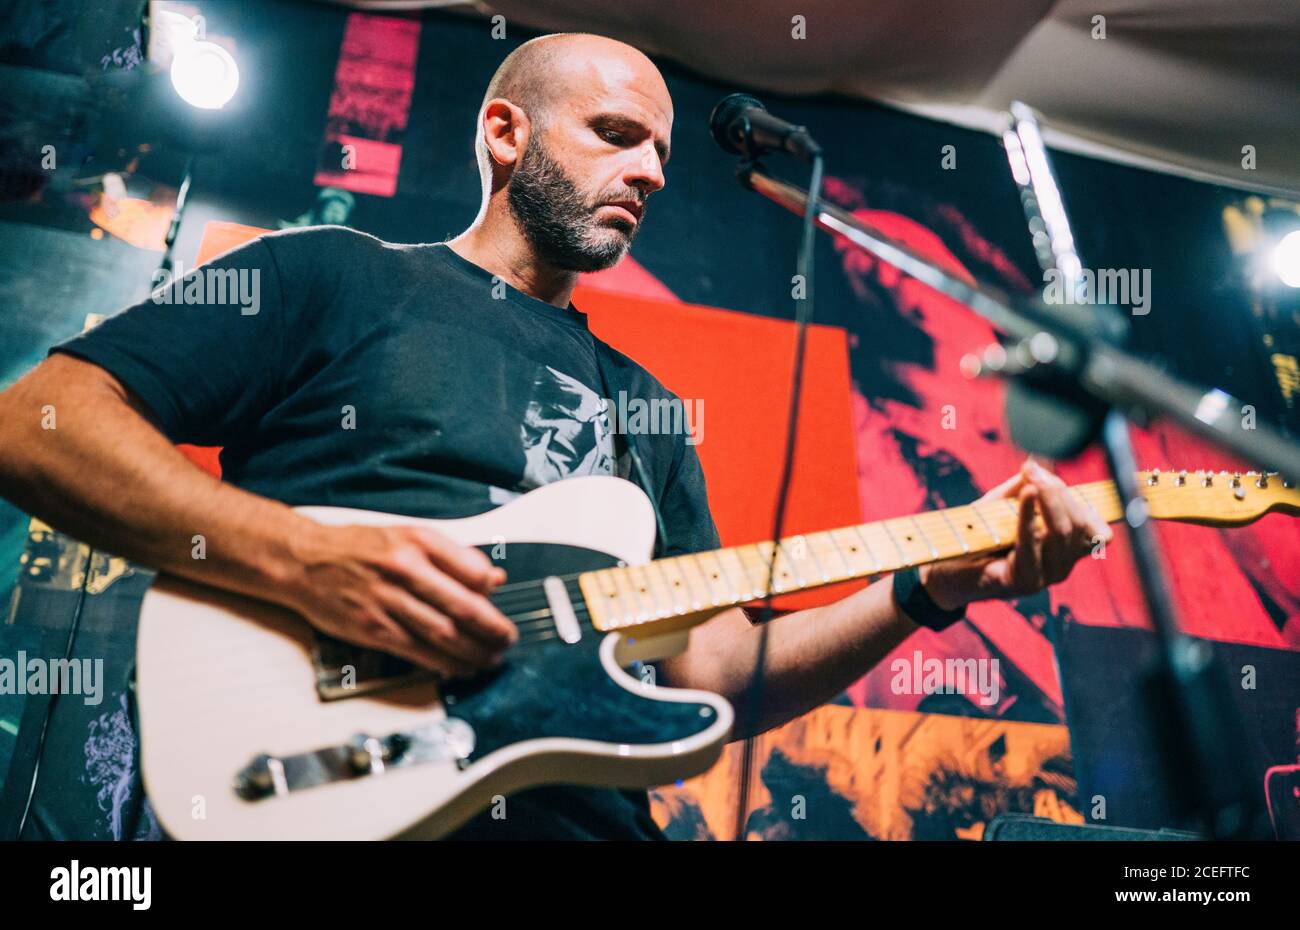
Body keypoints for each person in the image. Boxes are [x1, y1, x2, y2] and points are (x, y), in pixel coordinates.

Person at [0, 33, 1109, 840]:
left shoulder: (646, 407)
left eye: (661, 154)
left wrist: (932, 585)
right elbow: (37, 425)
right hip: (315, 788)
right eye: (616, 135)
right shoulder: (326, 274)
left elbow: (712, 668)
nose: (650, 172)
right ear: (504, 132)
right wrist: (300, 558)